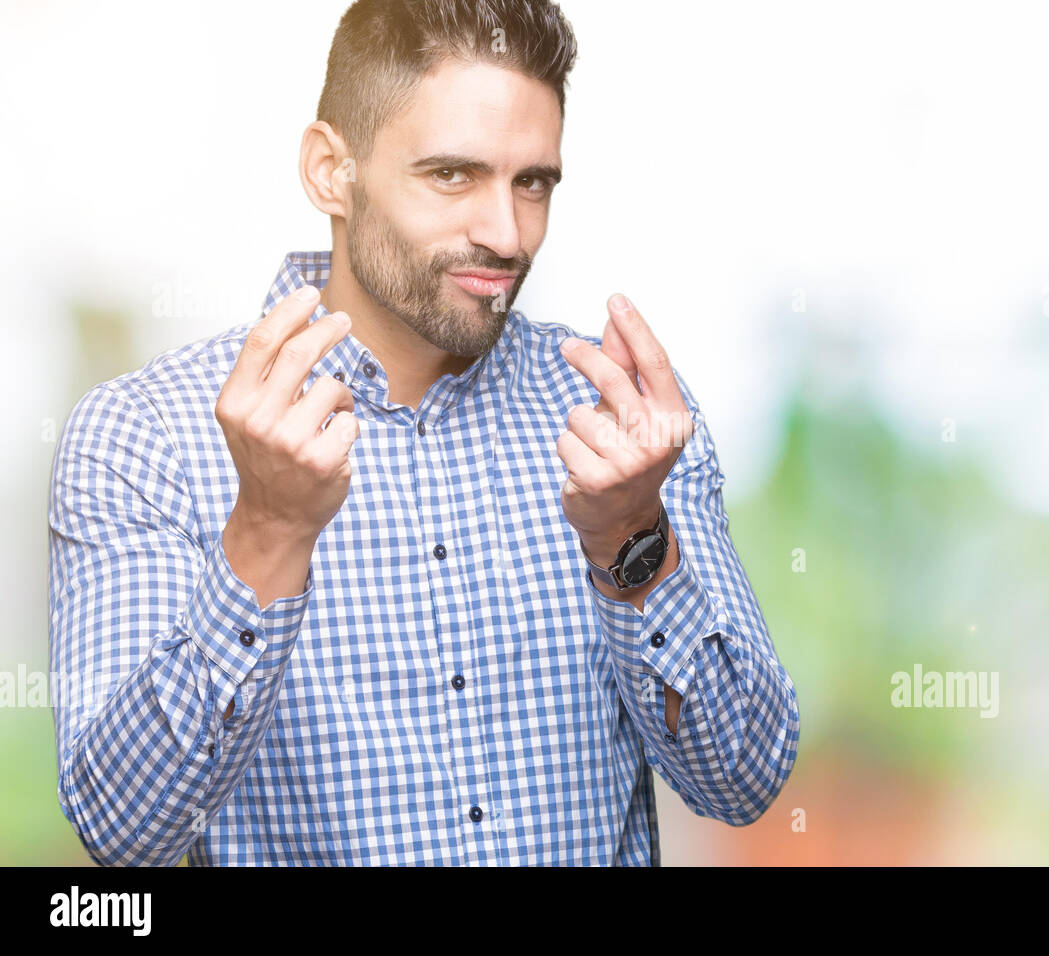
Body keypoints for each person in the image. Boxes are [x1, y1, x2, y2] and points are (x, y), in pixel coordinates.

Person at [47, 0, 799, 866]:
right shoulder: (144, 437)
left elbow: (743, 783)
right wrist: (269, 533)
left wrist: (635, 545)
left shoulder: (623, 422)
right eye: (452, 175)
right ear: (332, 170)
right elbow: (121, 834)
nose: (507, 234)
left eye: (533, 182)